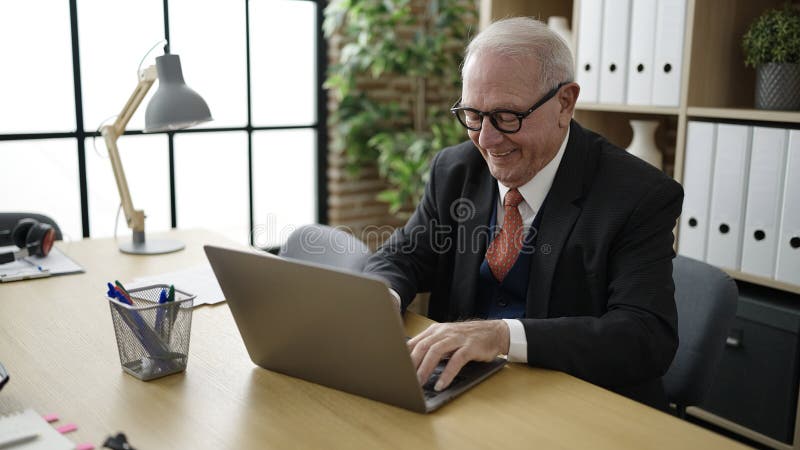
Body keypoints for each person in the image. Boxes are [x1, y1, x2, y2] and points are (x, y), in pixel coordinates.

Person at [362, 16, 684, 410]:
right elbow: (404, 255)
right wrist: (382, 301)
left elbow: (645, 336)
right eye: (473, 115)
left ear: (565, 103)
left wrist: (501, 336)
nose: (487, 139)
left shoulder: (638, 195)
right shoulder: (456, 169)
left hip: (576, 407)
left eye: (507, 116)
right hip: (465, 394)